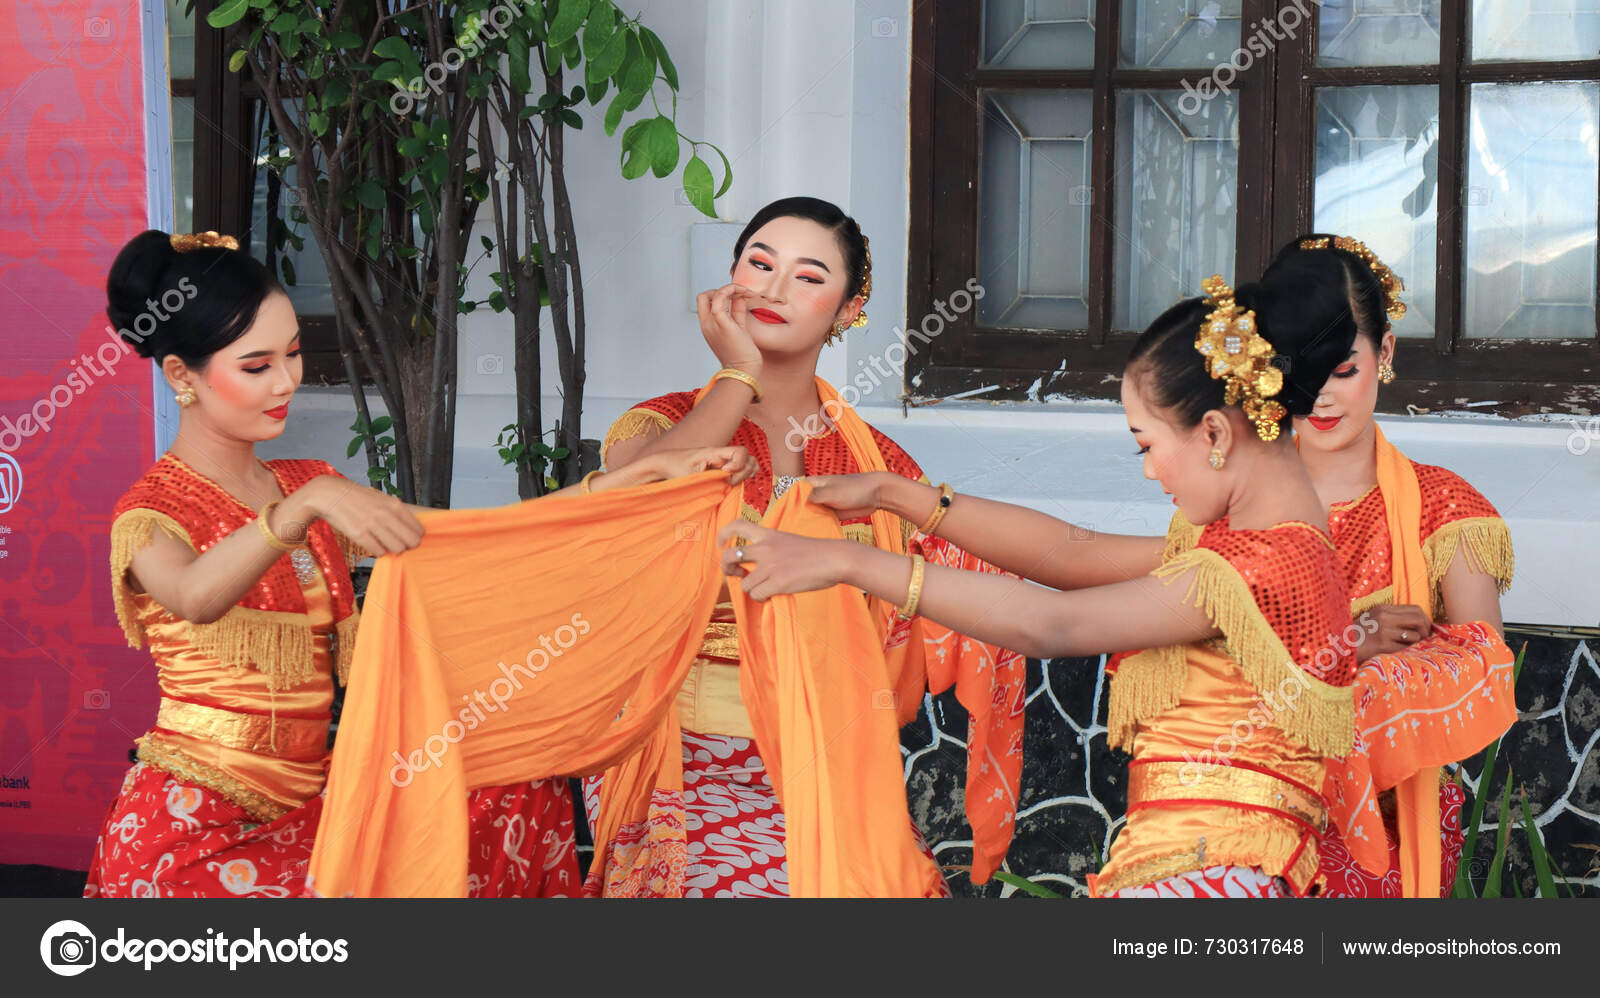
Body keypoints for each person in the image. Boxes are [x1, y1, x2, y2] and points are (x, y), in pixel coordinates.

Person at [85, 229, 754, 898]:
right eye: (257, 366)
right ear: (182, 376)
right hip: (193, 828)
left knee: (517, 780)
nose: (287, 381)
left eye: (292, 353)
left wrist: (627, 482)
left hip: (317, 810)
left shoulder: (304, 481)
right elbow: (193, 596)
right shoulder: (151, 513)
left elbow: (462, 538)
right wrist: (299, 509)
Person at [720, 272, 1364, 897]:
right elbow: (1071, 551)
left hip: (1211, 873)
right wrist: (899, 495)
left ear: (1215, 433)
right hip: (1206, 868)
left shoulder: (1254, 564)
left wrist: (849, 563)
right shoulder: (1264, 547)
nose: (1149, 472)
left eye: (1145, 445)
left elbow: (1053, 624)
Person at [594, 197, 1026, 897]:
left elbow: (965, 588)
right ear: (731, 277)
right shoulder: (660, 425)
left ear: (848, 310)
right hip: (683, 753)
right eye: (759, 264)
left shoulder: (879, 466)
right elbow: (628, 511)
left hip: (831, 754)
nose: (772, 289)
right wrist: (737, 373)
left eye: (807, 277)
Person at [1273, 236, 1517, 898]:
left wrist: (1362, 678)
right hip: (1248, 808)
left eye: (1341, 368)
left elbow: (1484, 673)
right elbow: (1194, 658)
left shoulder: (1445, 507)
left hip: (1387, 831)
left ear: (1384, 353)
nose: (1319, 396)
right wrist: (1348, 643)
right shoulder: (1228, 506)